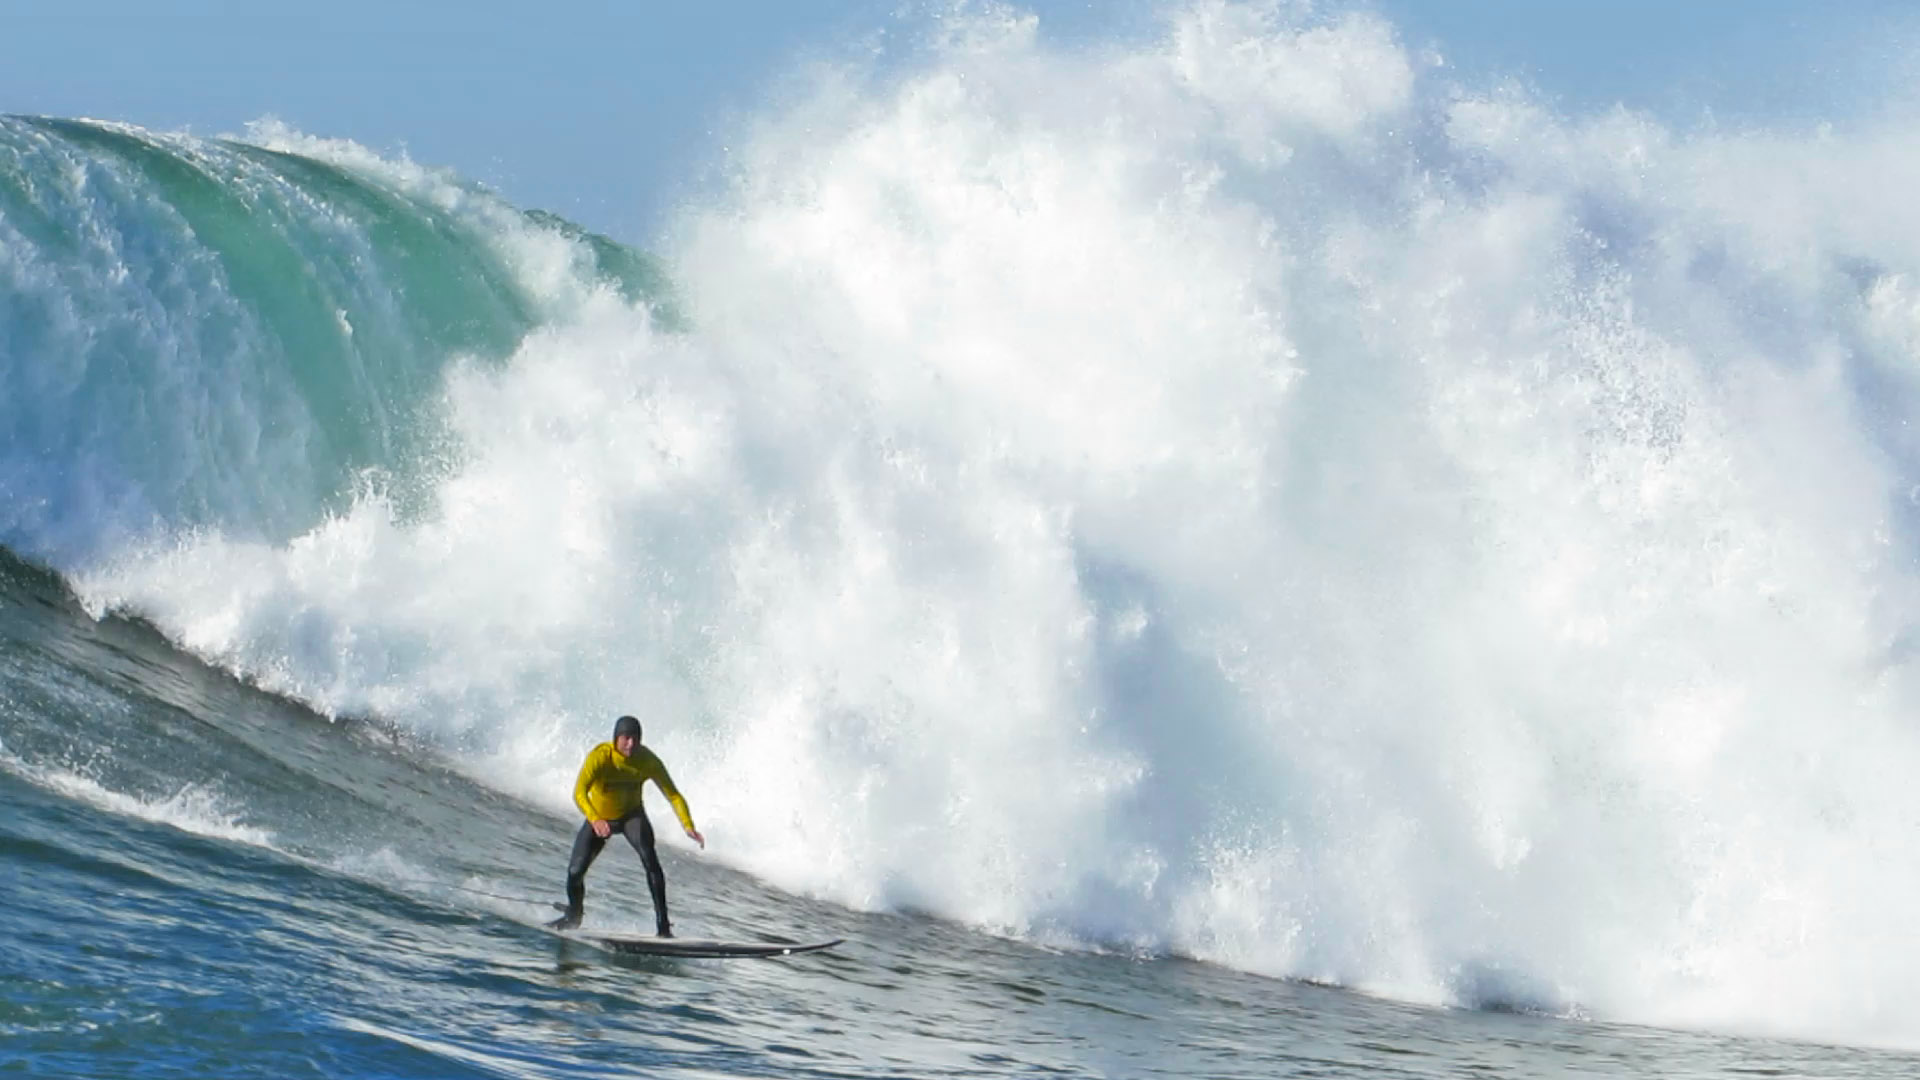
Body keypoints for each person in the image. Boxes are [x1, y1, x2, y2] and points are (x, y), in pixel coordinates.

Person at [547, 714, 704, 936]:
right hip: (600, 818)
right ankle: (574, 914)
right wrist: (595, 819)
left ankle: (663, 928)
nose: (631, 744)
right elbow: (579, 793)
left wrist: (688, 826)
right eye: (626, 738)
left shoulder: (648, 760)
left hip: (632, 817)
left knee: (651, 861)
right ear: (616, 739)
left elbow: (674, 795)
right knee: (575, 871)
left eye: (636, 739)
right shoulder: (600, 757)